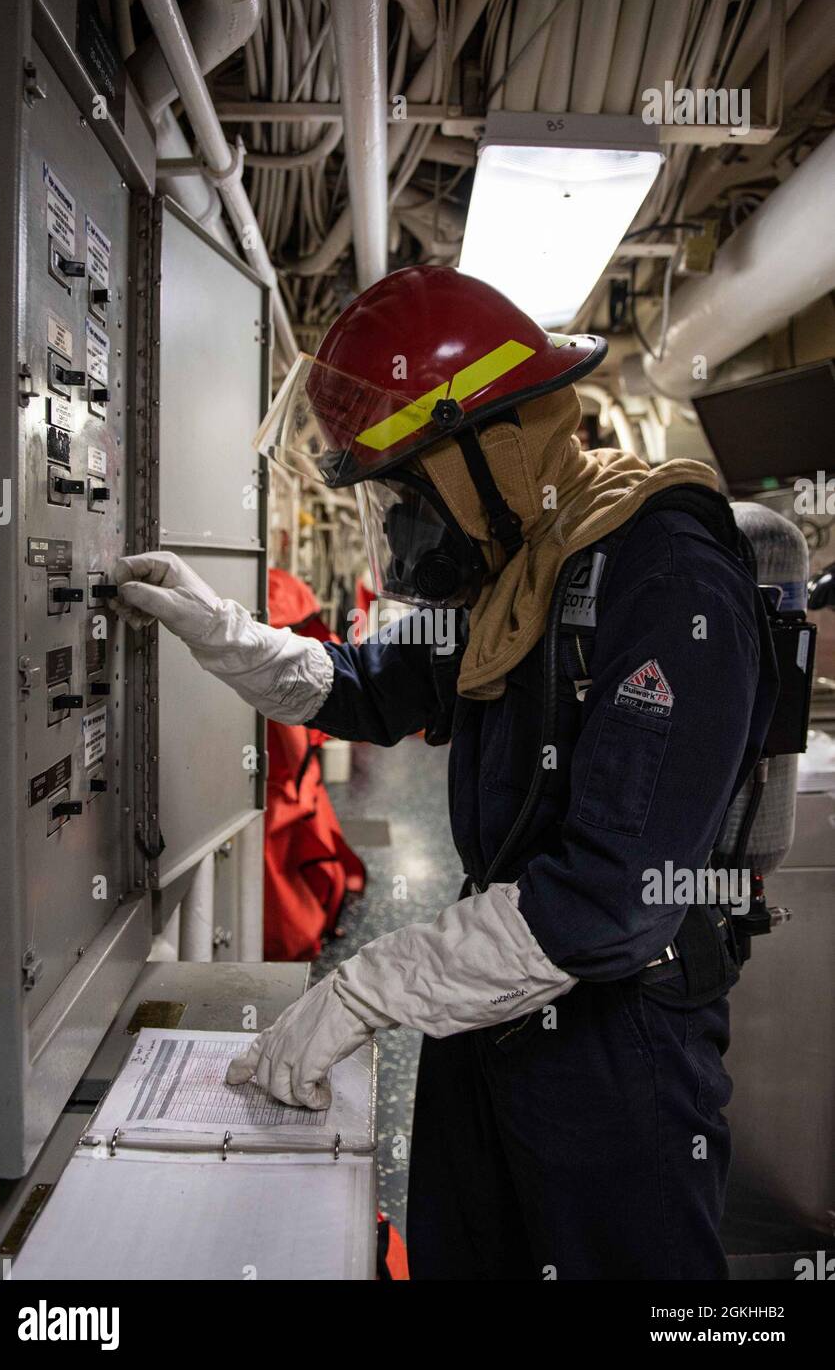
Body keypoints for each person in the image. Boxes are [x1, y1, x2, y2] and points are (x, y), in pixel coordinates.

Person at [113, 266, 777, 1281]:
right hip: (488, 1003)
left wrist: (367, 989)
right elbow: (365, 687)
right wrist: (222, 631)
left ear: (489, 450)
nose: (403, 524)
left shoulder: (664, 573)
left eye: (410, 487)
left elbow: (615, 898)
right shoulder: (525, 566)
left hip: (618, 1040)